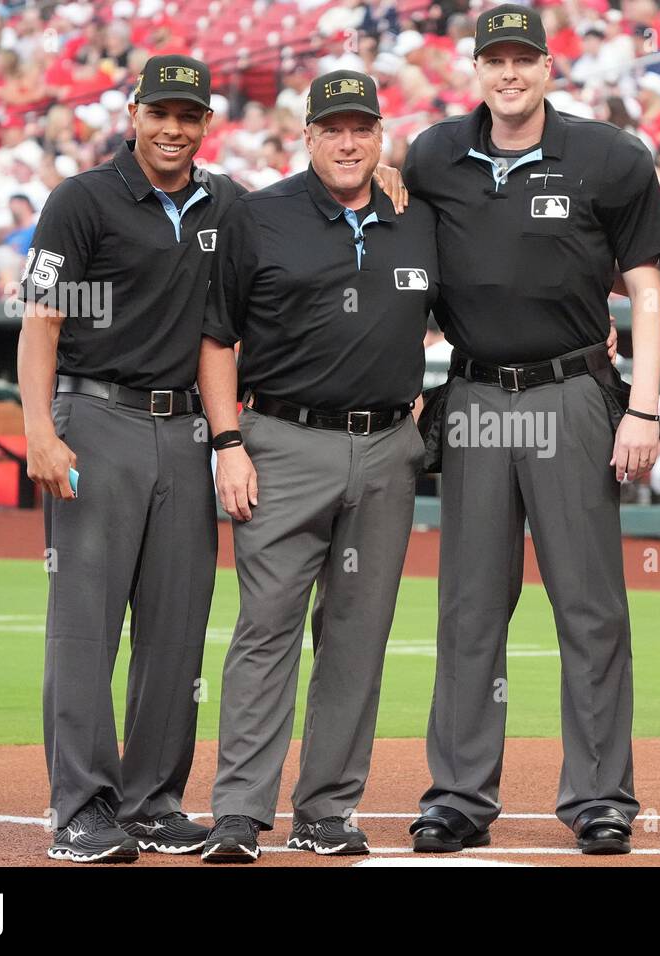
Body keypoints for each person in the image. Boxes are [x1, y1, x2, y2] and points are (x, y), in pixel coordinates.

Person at [401, 4, 660, 856]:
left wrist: (644, 407)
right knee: (470, 606)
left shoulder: (610, 155)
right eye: (494, 61)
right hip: (474, 393)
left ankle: (600, 797)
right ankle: (458, 793)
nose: (508, 74)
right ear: (476, 71)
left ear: (550, 67)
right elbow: (407, 279)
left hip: (572, 391)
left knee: (589, 607)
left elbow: (651, 292)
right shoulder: (434, 155)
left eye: (523, 59)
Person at [197, 71, 437, 863]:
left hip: (386, 451)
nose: (346, 141)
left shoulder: (416, 219)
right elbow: (215, 339)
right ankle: (239, 810)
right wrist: (228, 443)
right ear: (306, 135)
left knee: (357, 637)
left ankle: (327, 809)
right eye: (331, 128)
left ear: (379, 137)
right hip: (281, 443)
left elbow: (482, 308)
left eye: (360, 128)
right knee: (265, 630)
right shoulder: (257, 215)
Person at [17, 55, 246, 864]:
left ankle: (152, 800)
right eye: (161, 113)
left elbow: (298, 228)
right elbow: (41, 318)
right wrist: (40, 429)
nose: (174, 129)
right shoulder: (83, 199)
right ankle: (80, 806)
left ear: (207, 122)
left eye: (189, 116)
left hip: (185, 429)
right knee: (86, 627)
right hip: (96, 418)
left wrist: (386, 175)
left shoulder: (228, 202)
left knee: (176, 628)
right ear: (134, 111)